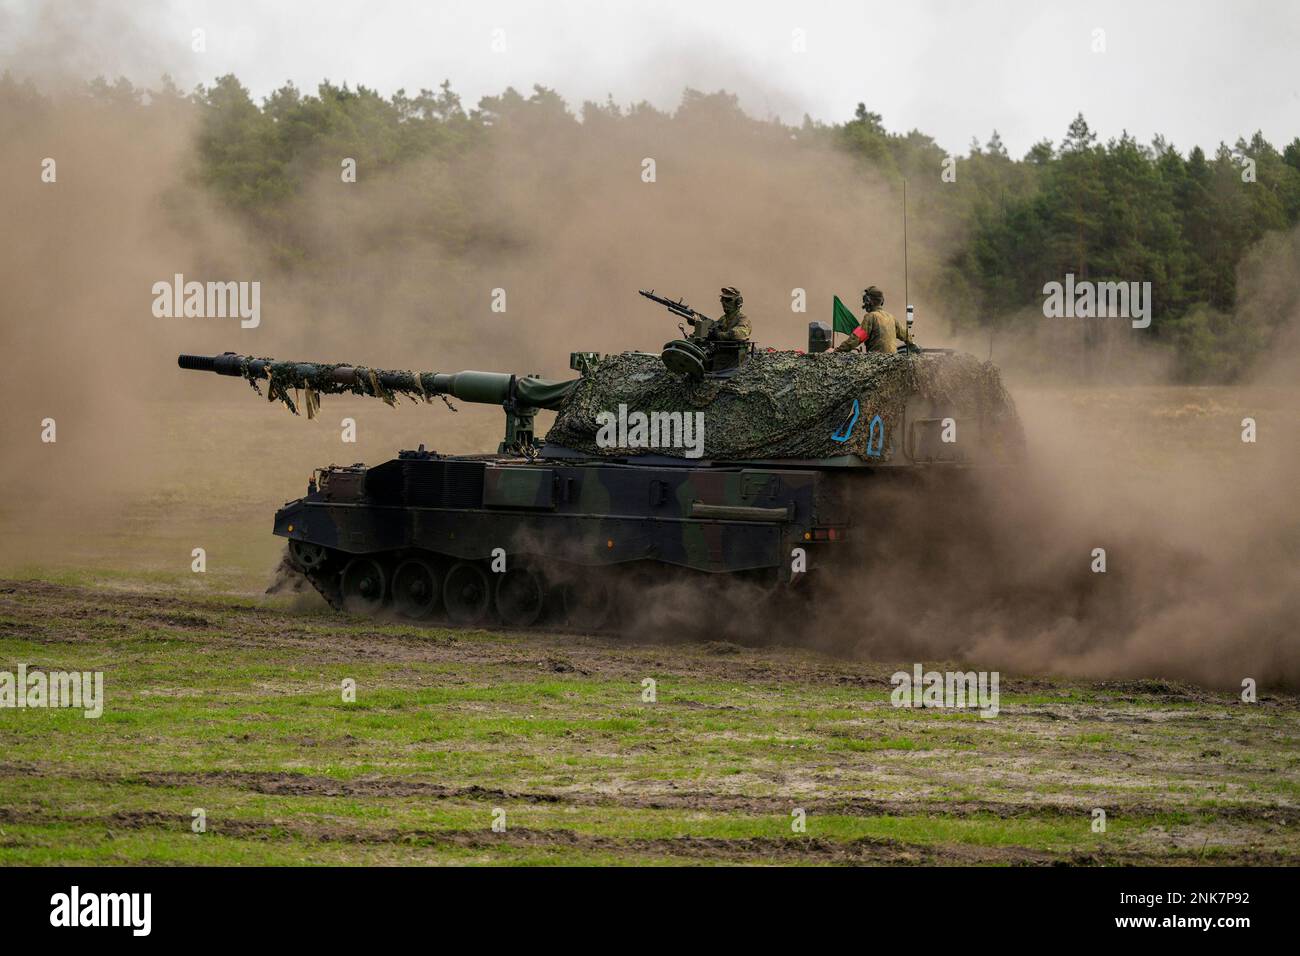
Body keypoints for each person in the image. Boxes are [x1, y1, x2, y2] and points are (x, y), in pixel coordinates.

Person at [834, 286, 912, 354]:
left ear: (868, 301)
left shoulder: (870, 317)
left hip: (877, 361)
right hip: (893, 361)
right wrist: (913, 345)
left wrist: (838, 351)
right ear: (882, 301)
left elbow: (856, 338)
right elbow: (906, 336)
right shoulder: (891, 317)